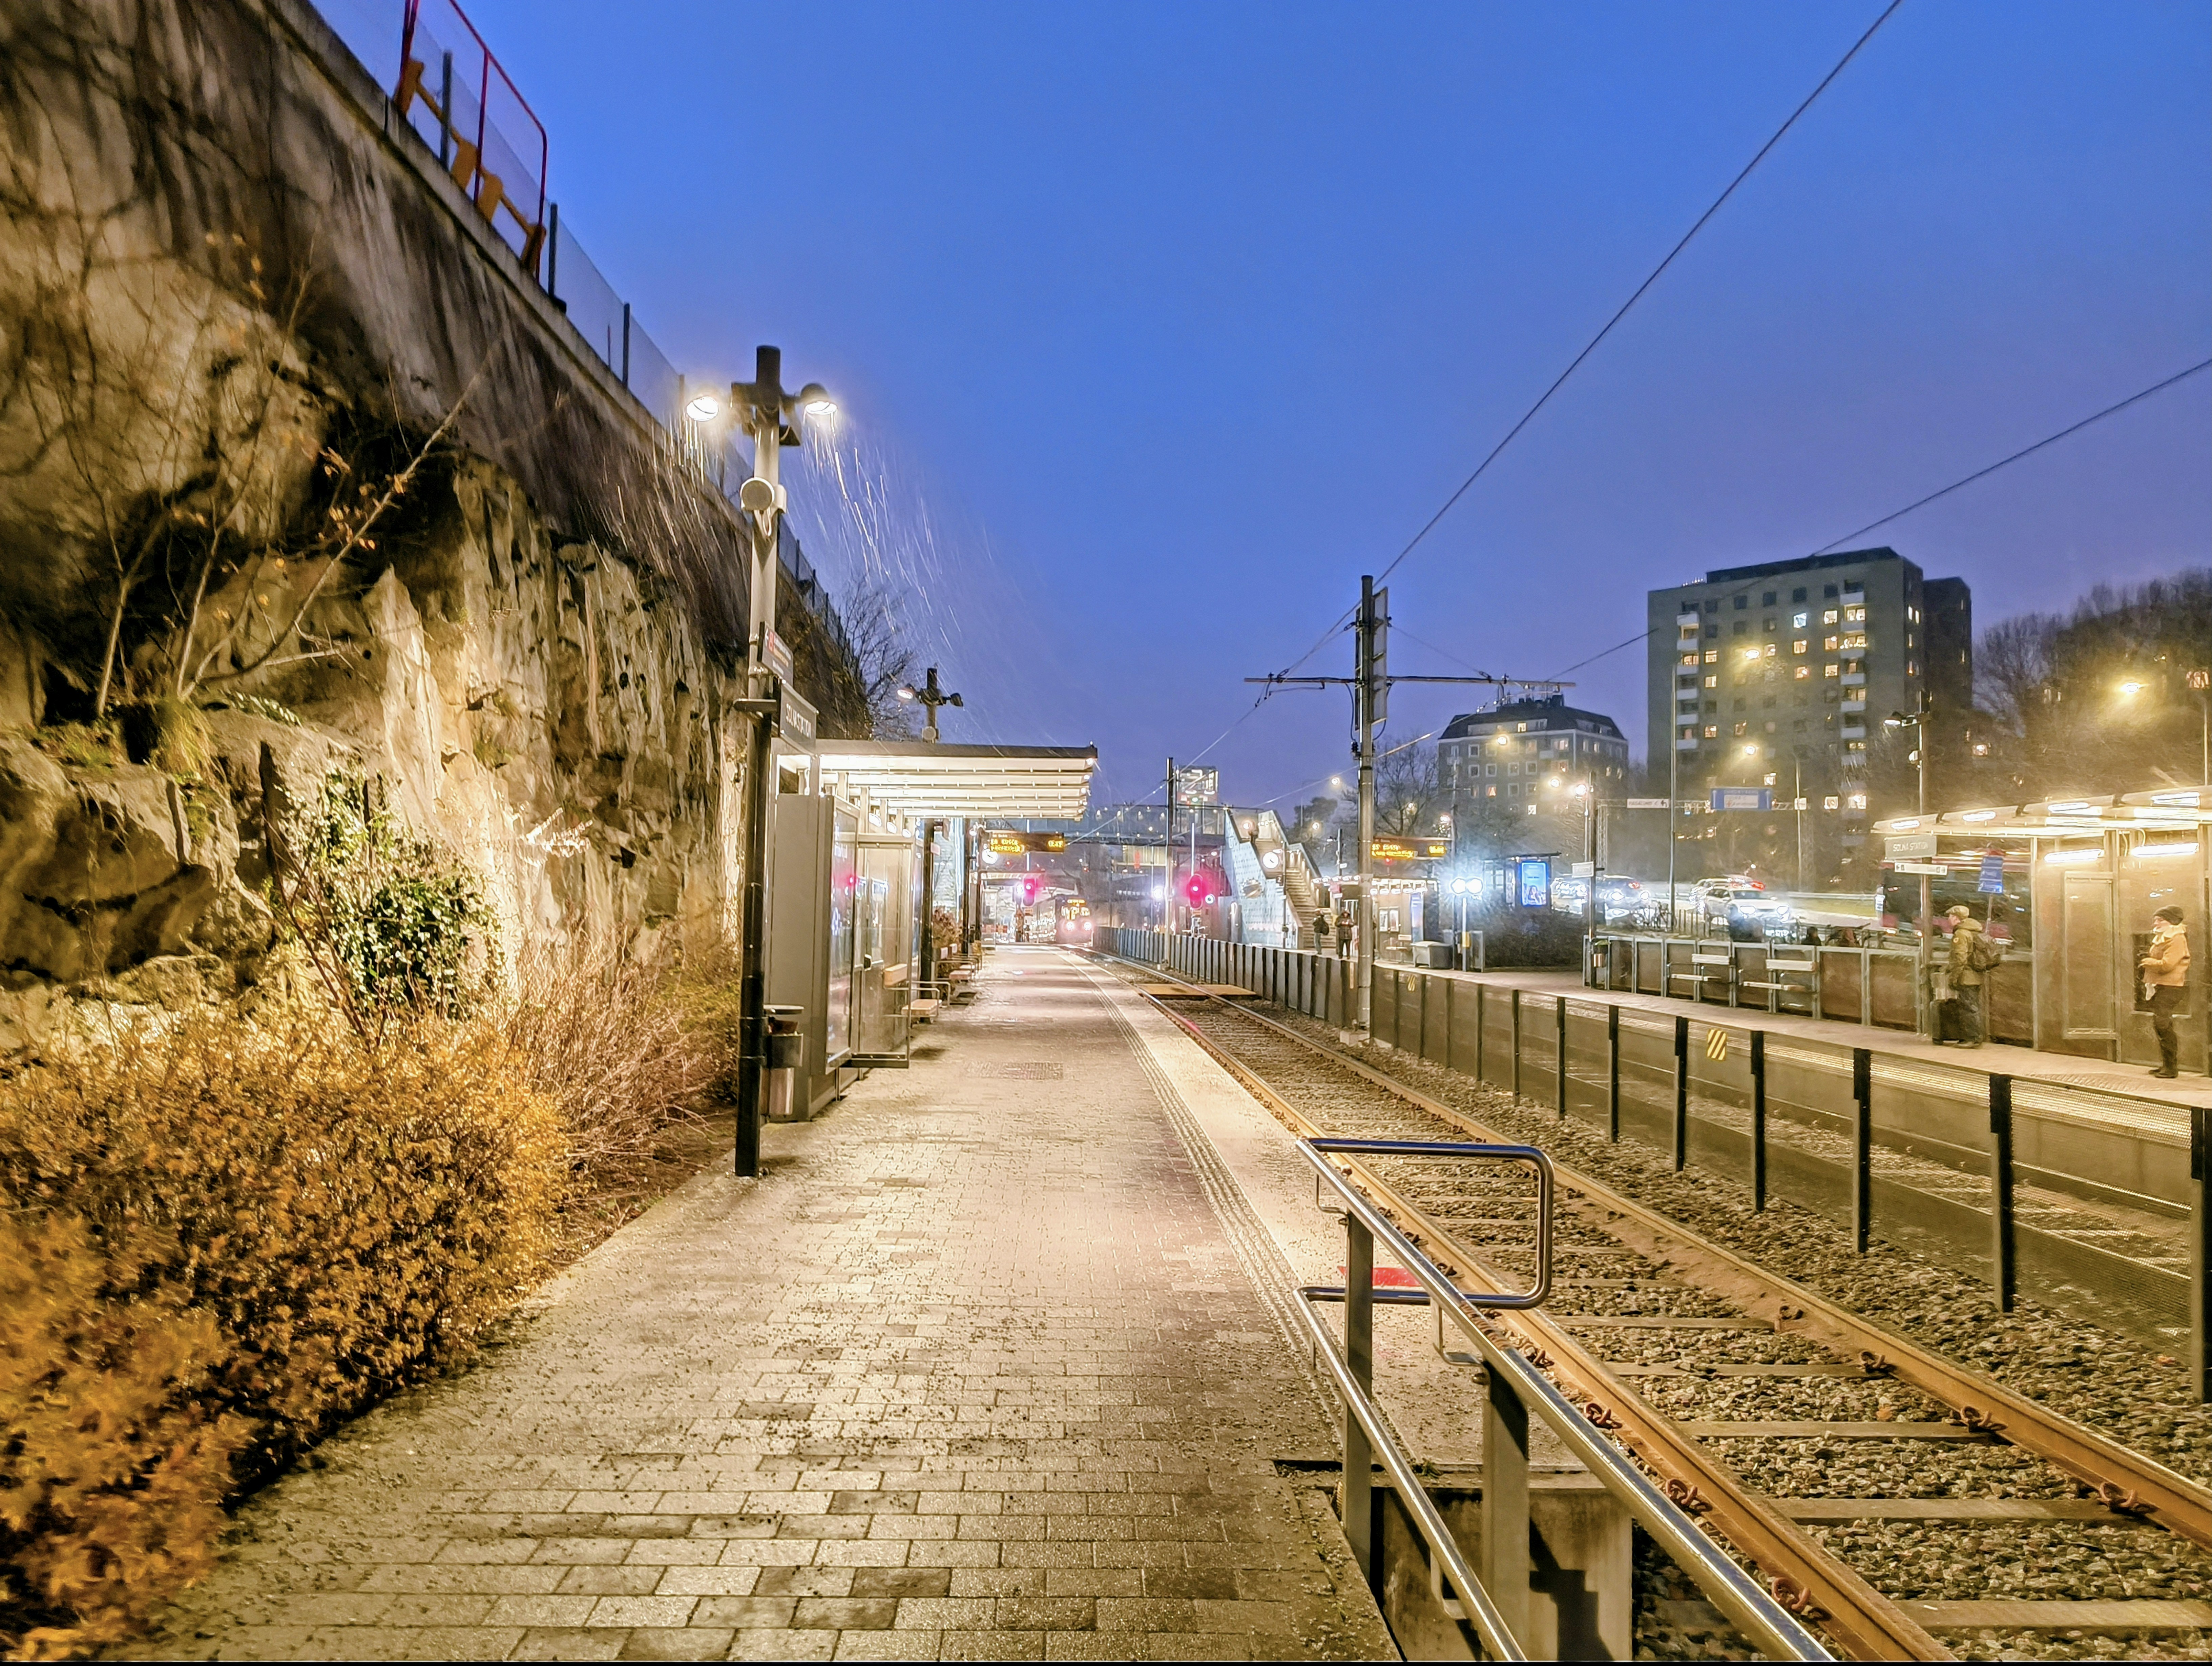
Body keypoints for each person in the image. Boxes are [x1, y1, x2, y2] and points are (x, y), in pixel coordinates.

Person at [2141, 905, 2191, 1079]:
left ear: (2171, 921)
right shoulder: (2165, 937)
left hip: (2171, 987)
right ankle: (2167, 1065)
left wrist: (2149, 962)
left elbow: (2168, 965)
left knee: (2163, 1026)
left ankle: (2171, 1068)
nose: (2156, 922)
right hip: (2163, 986)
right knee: (2162, 1026)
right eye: (2156, 919)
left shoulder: (2176, 939)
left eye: (2160, 919)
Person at [1943, 905, 1988, 1048]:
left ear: (1956, 918)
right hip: (1975, 975)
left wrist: (1954, 977)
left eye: (1950, 917)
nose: (1948, 920)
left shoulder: (1961, 934)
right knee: (1972, 1006)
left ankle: (1972, 1039)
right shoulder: (1973, 931)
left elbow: (1960, 959)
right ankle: (1971, 1037)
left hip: (1967, 977)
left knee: (1968, 1008)